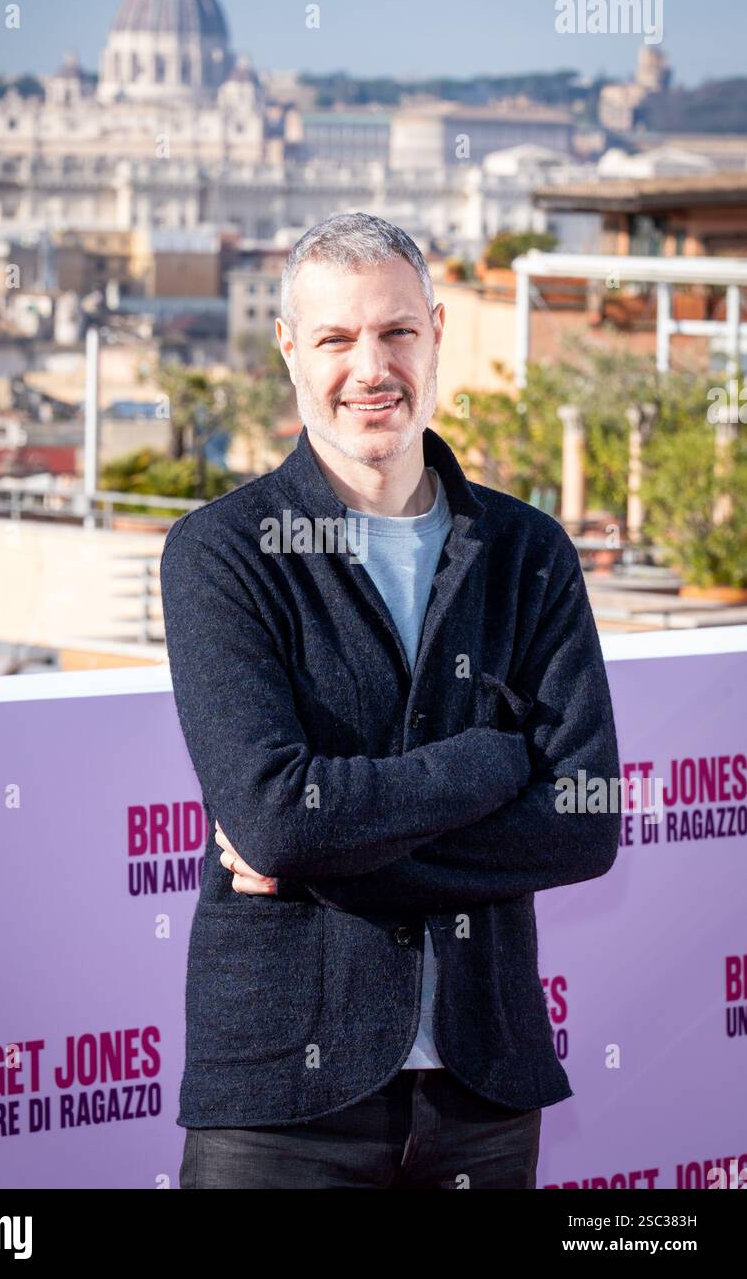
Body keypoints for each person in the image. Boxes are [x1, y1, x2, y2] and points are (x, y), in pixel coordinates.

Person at [159, 211, 621, 1189]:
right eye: (335, 338)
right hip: (281, 1103)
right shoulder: (222, 553)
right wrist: (492, 763)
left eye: (395, 332)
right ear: (289, 350)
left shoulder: (526, 554)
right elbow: (275, 817)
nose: (369, 366)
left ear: (436, 332)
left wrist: (325, 851)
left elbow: (581, 825)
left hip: (481, 1093)